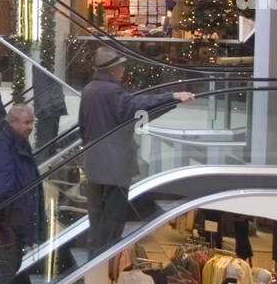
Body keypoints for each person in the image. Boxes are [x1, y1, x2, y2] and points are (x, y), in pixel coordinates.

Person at [78, 45, 195, 256]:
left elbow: (83, 126)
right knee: (113, 212)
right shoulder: (113, 91)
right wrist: (172, 97)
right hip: (115, 164)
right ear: (112, 69)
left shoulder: (89, 90)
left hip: (94, 160)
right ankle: (103, 252)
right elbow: (138, 107)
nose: (124, 70)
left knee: (95, 210)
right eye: (121, 66)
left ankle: (94, 247)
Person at [0, 103, 44, 284]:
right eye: (27, 123)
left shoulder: (18, 144)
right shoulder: (3, 147)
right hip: (7, 227)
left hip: (13, 225)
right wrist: (15, 222)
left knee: (9, 268)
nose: (30, 127)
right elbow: (2, 192)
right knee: (5, 269)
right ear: (13, 122)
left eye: (32, 122)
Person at [31, 62, 67, 152]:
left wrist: (44, 109)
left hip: (48, 111)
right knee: (50, 139)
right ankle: (49, 158)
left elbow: (41, 91)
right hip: (54, 108)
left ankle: (45, 160)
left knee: (45, 141)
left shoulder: (39, 72)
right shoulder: (48, 75)